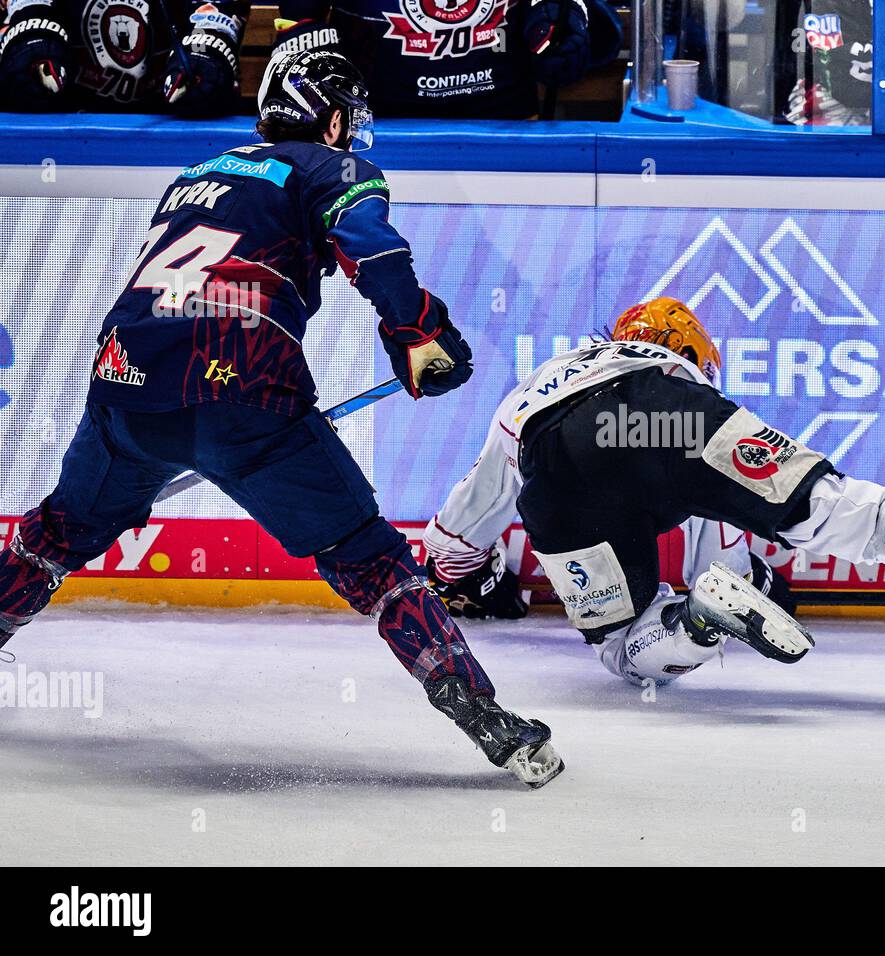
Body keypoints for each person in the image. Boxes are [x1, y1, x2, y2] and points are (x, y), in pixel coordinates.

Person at [0, 48, 563, 788]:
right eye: (348, 121)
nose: (352, 136)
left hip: (124, 385)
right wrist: (419, 332)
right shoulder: (328, 168)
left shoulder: (194, 174)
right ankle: (484, 716)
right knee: (377, 564)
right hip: (244, 389)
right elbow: (372, 249)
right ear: (327, 114)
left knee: (58, 535)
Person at [425, 297, 885, 688]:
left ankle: (696, 622)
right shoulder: (678, 379)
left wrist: (462, 579)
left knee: (620, 642)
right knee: (849, 513)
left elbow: (458, 530)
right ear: (692, 353)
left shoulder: (537, 383)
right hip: (664, 416)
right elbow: (723, 538)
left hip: (556, 462)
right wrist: (752, 578)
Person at [265, 0, 601, 119]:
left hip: (504, 117)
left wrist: (558, 19)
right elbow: (301, 26)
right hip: (376, 125)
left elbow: (562, 18)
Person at [0, 0, 250, 114]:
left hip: (167, 117)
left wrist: (204, 55)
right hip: (63, 113)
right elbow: (28, 7)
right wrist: (31, 38)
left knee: (205, 84)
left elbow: (212, 16)